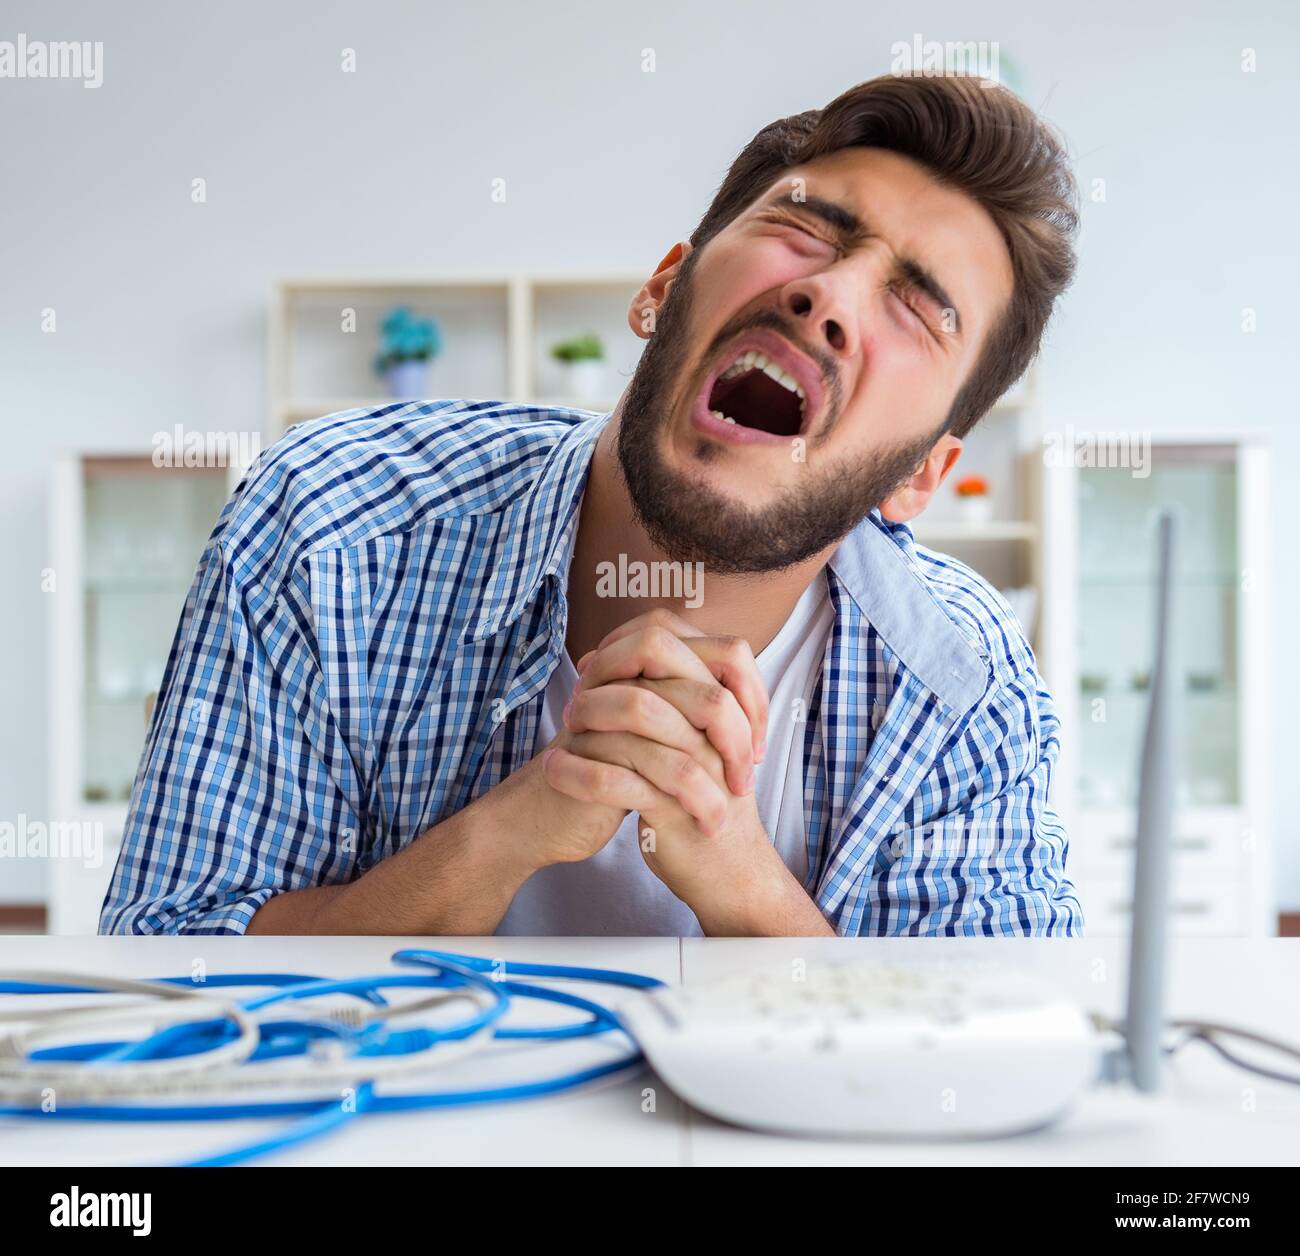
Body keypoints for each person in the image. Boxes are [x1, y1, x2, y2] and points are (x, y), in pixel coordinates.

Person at [102, 74, 1084, 937]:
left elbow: (975, 1062)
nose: (827, 294)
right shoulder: (330, 523)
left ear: (921, 474)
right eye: (806, 226)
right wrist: (506, 832)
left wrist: (743, 884)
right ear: (663, 288)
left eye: (914, 306)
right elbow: (174, 961)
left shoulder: (962, 677)